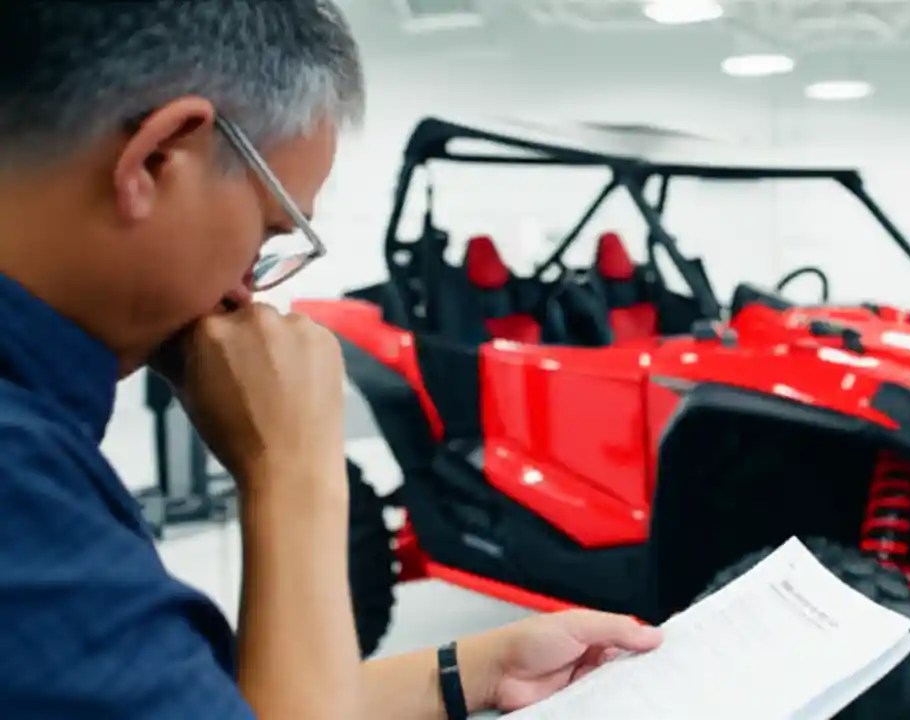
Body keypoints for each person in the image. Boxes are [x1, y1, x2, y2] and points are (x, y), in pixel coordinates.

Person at [0, 2, 661, 719]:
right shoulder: (21, 489)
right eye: (267, 235)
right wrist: (291, 471)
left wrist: (481, 666)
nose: (245, 290)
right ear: (158, 160)